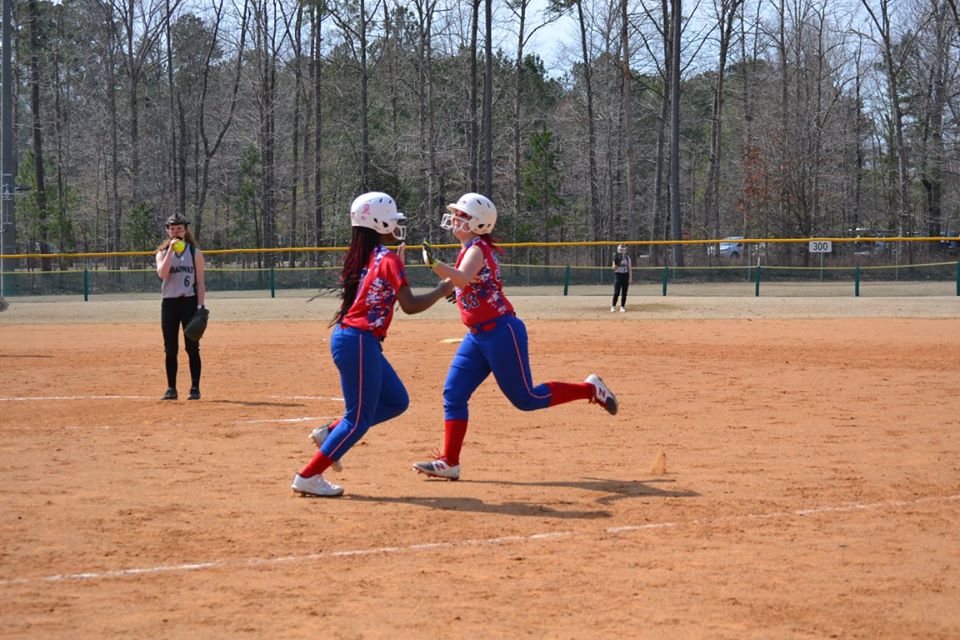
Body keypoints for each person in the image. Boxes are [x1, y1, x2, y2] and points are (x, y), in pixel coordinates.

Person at [412, 193, 618, 481]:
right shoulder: (469, 248)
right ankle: (450, 461)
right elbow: (463, 281)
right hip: (477, 336)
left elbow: (461, 277)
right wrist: (458, 290)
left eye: (462, 215)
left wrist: (434, 263)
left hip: (501, 332)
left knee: (526, 399)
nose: (455, 218)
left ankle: (589, 389)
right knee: (454, 393)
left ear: (477, 223)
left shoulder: (478, 248)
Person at [292, 191, 454, 497]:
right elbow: (410, 306)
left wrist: (398, 270)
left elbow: (380, 297)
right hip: (358, 342)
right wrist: (441, 287)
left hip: (356, 341)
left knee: (396, 401)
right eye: (393, 220)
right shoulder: (387, 258)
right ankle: (308, 476)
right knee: (358, 420)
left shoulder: (365, 257)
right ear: (378, 222)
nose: (396, 226)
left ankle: (330, 432)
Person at [155, 213, 206, 401]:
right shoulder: (161, 253)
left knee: (192, 347)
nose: (176, 232)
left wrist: (201, 306)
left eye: (179, 228)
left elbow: (200, 282)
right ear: (168, 230)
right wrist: (170, 251)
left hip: (189, 303)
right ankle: (171, 389)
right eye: (172, 228)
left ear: (185, 231)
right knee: (170, 348)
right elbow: (162, 274)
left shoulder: (194, 253)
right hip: (169, 304)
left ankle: (194, 388)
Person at [611, 243, 632, 312]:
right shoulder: (616, 257)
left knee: (624, 293)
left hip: (625, 275)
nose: (622, 251)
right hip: (618, 275)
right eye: (620, 250)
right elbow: (613, 269)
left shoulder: (627, 258)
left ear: (625, 250)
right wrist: (617, 263)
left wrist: (630, 278)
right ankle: (613, 306)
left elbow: (629, 268)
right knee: (616, 292)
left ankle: (622, 307)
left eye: (623, 250)